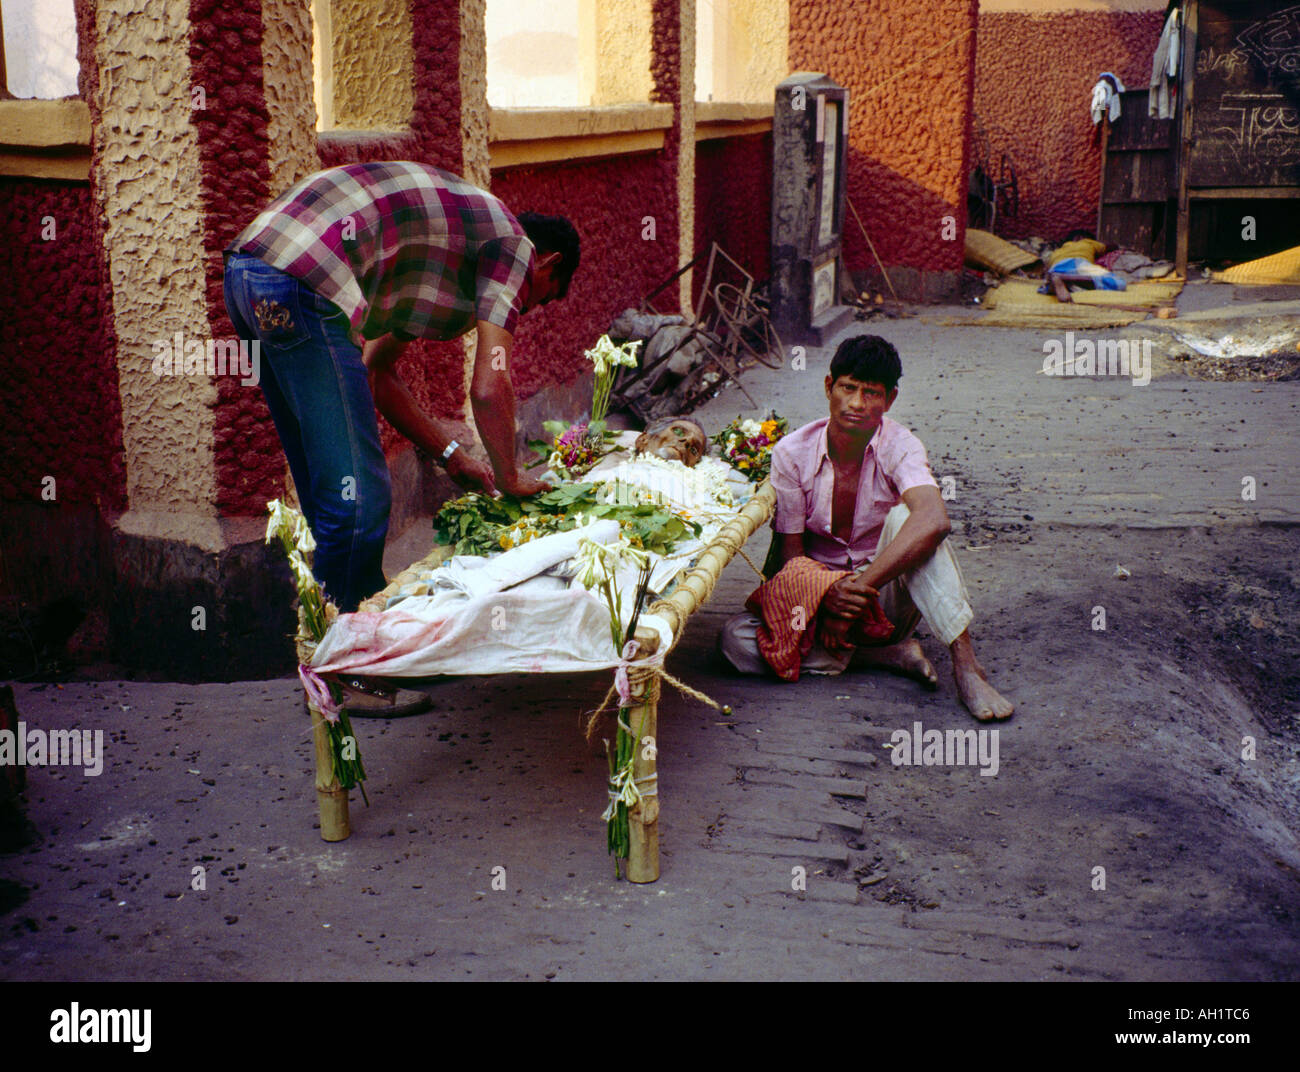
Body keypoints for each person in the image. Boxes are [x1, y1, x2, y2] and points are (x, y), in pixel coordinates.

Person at [224, 161, 579, 615]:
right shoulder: (516, 249)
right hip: (301, 278)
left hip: (249, 276)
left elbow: (377, 373)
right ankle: (351, 649)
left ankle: (355, 624)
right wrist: (509, 477)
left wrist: (452, 456)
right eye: (541, 296)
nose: (524, 308)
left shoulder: (443, 257)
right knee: (360, 498)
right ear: (549, 263)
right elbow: (491, 384)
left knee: (328, 489)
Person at [719, 335, 1014, 722]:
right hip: (822, 600)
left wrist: (861, 587)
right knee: (735, 641)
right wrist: (826, 598)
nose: (857, 404)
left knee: (913, 522)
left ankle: (966, 665)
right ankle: (885, 655)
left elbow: (935, 518)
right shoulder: (791, 453)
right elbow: (792, 553)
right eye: (848, 388)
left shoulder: (901, 445)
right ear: (829, 387)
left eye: (871, 393)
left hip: (885, 597)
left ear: (889, 400)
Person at [1043, 229, 1124, 302]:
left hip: (1055, 268)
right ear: (1082, 238)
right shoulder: (1088, 242)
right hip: (1078, 263)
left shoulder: (1059, 250)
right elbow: (1109, 247)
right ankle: (1062, 278)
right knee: (1118, 283)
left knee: (1075, 286)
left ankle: (1059, 281)